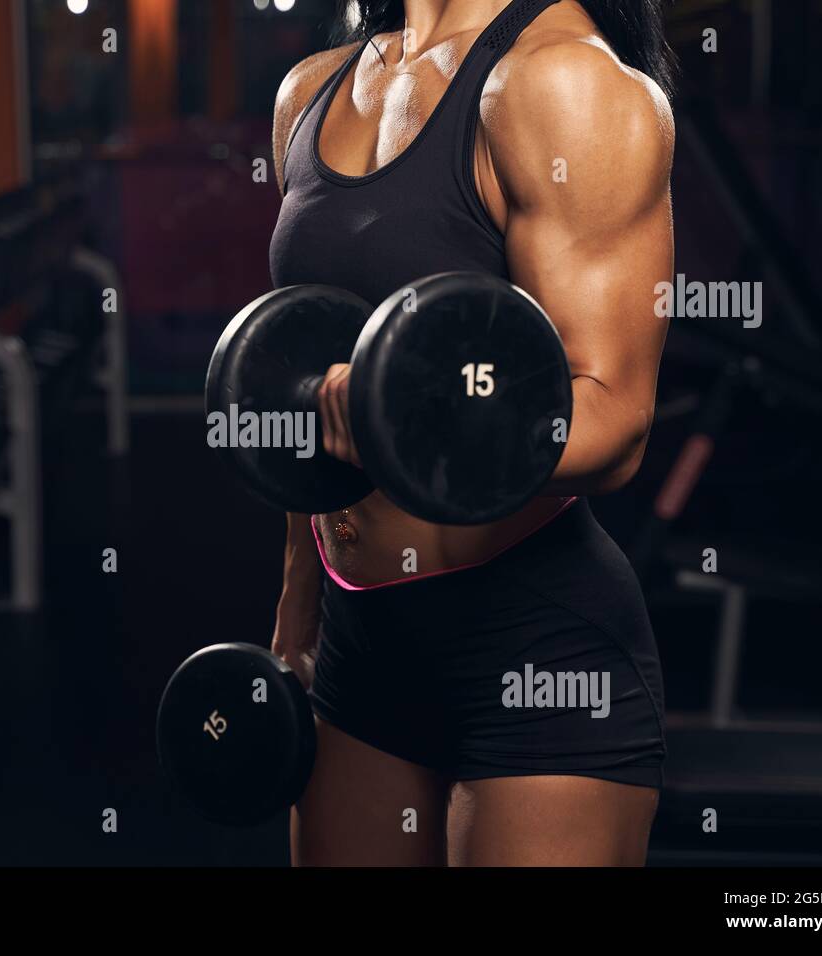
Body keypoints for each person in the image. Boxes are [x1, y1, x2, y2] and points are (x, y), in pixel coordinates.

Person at [268, 0, 675, 865]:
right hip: (359, 645)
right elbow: (301, 373)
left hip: (531, 647)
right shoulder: (313, 93)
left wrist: (399, 424)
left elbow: (612, 415)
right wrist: (296, 621)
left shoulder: (563, 82)